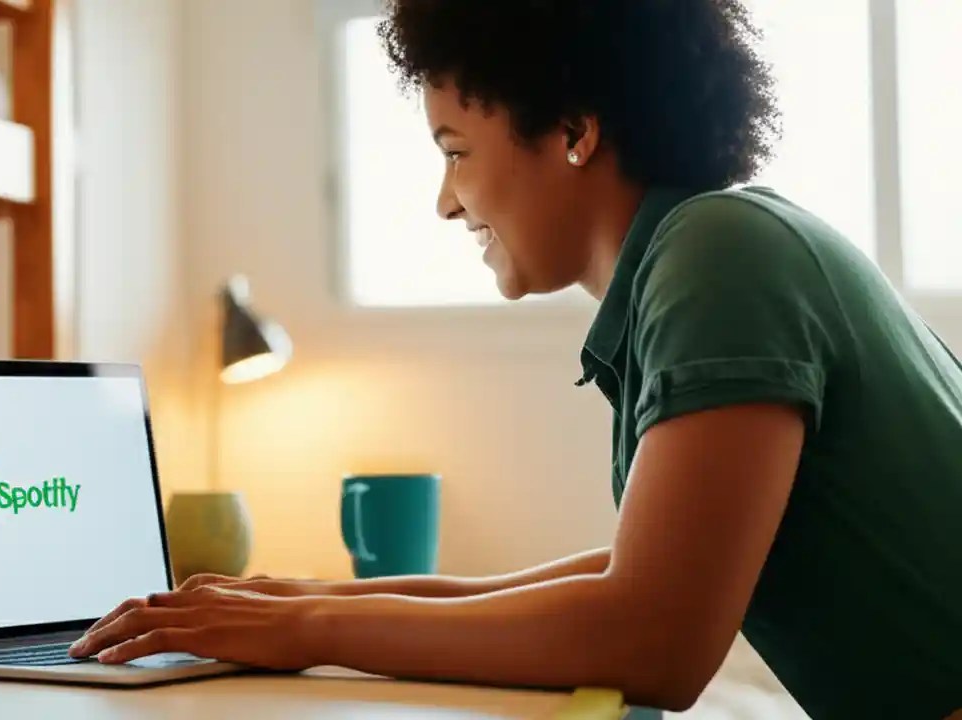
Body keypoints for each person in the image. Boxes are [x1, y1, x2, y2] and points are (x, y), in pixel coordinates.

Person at [70, 1, 962, 717]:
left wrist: (310, 625)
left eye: (455, 152)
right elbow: (629, 579)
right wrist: (299, 600)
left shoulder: (723, 255)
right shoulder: (716, 247)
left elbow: (654, 639)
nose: (445, 204)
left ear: (573, 130)